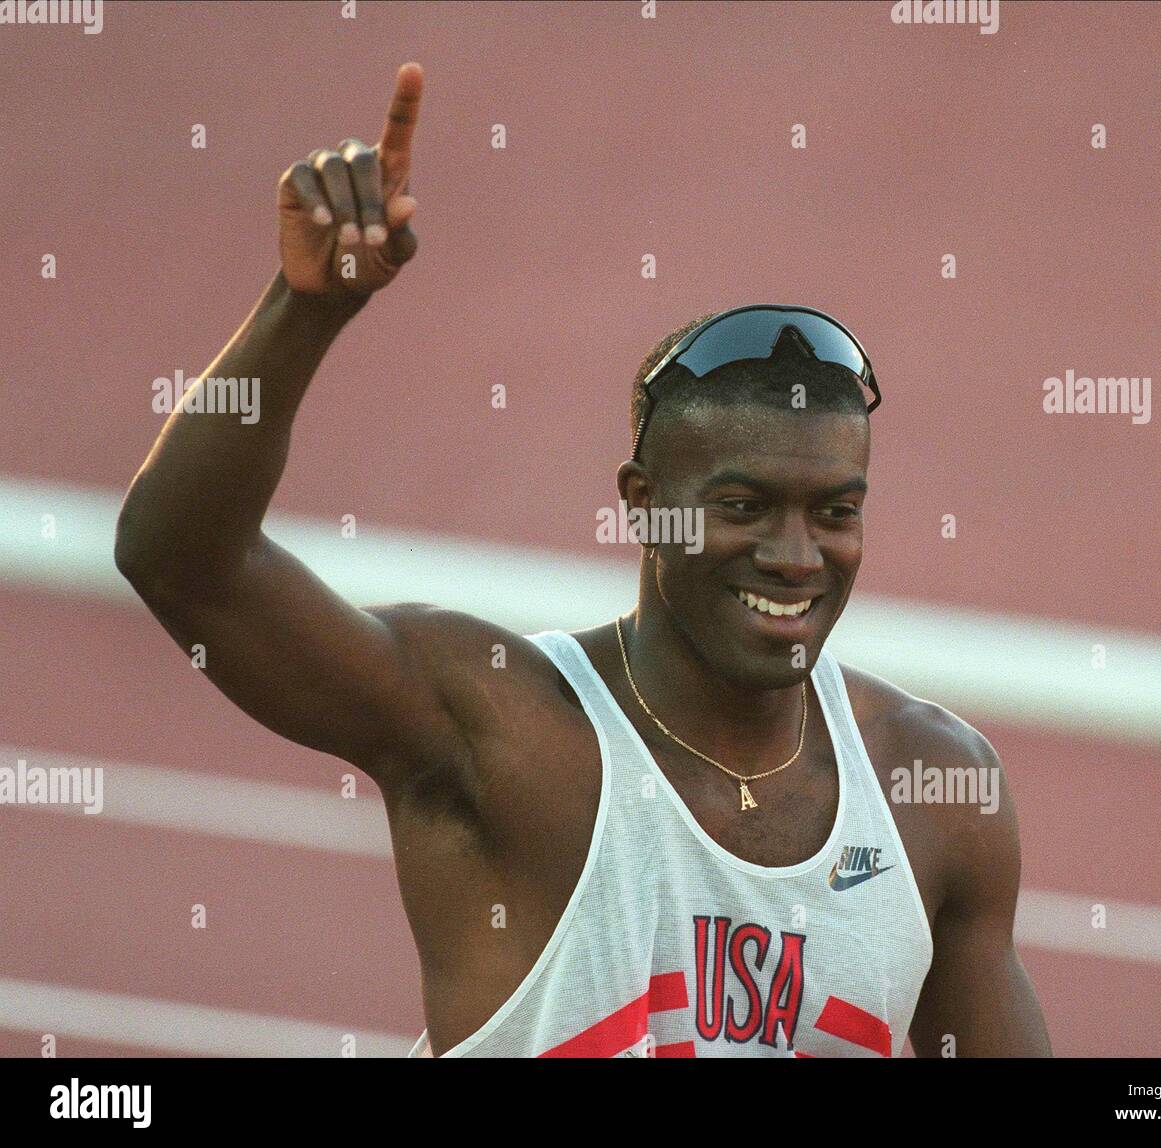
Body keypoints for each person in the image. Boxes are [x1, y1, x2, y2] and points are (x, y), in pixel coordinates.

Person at [115, 62, 1051, 1058]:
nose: (794, 555)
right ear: (642, 504)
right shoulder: (500, 728)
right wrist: (304, 310)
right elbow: (181, 560)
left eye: (835, 511)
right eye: (741, 507)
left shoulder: (933, 786)